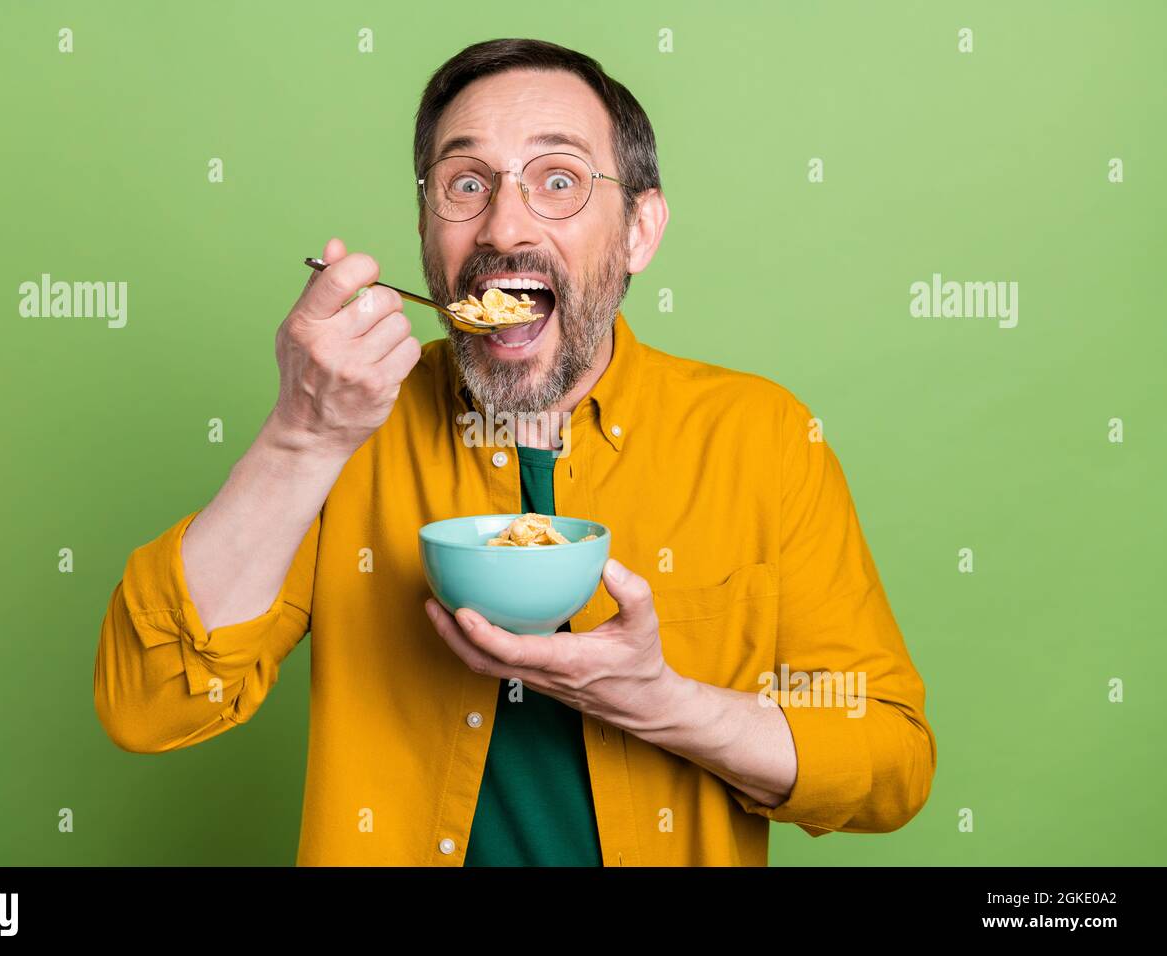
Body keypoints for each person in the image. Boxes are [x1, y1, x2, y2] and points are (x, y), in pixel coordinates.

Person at [94, 38, 935, 866]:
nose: (503, 225)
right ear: (426, 225)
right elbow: (152, 704)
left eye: (558, 180)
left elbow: (890, 762)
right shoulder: (351, 424)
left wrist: (662, 703)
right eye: (466, 184)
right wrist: (300, 437)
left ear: (639, 231)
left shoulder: (762, 436)